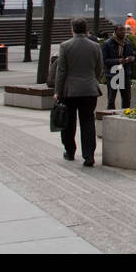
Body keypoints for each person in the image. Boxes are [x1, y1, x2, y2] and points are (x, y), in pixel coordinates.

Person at [54, 18, 104, 166]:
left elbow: (61, 70)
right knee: (88, 122)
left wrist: (57, 90)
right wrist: (92, 80)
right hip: (89, 90)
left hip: (70, 91)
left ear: (73, 29)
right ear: (85, 28)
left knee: (69, 122)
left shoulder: (65, 46)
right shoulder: (95, 46)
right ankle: (89, 156)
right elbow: (99, 68)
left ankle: (70, 151)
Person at [101, 23, 135, 110]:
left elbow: (132, 55)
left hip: (125, 72)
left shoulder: (127, 42)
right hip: (113, 73)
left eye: (124, 30)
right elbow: (104, 60)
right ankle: (110, 114)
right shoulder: (107, 44)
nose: (123, 32)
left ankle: (125, 114)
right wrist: (117, 61)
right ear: (115, 31)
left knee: (127, 97)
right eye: (121, 30)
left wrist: (130, 59)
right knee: (111, 98)